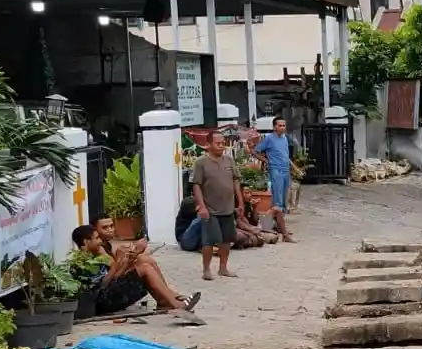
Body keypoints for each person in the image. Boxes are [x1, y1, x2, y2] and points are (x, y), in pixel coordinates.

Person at [68, 225, 203, 324]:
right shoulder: (82, 262)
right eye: (96, 238)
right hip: (99, 303)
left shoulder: (97, 253)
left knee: (143, 263)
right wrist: (117, 265)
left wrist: (128, 261)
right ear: (86, 242)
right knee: (144, 268)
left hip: (106, 295)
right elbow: (102, 285)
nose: (100, 241)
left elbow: (114, 279)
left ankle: (164, 301)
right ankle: (176, 305)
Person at [191, 130, 245, 281]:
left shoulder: (229, 160)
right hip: (210, 209)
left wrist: (240, 202)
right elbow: (196, 185)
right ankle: (206, 270)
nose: (222, 146)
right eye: (218, 143)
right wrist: (201, 206)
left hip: (228, 208)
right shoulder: (201, 162)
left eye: (223, 143)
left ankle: (223, 268)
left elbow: (236, 181)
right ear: (208, 145)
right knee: (208, 241)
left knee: (226, 240)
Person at [92, 213, 174, 288]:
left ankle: (167, 293)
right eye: (105, 228)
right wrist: (132, 251)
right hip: (111, 286)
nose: (110, 230)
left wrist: (131, 251)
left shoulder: (107, 244)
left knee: (143, 258)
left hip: (115, 278)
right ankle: (166, 294)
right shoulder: (99, 248)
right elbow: (115, 274)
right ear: (95, 230)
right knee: (144, 261)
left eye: (112, 226)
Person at [253, 117, 295, 242]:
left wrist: (294, 168)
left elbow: (286, 156)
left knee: (283, 201)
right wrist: (267, 161)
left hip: (285, 171)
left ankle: (279, 227)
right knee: (278, 203)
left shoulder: (285, 138)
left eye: (284, 125)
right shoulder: (269, 138)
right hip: (276, 171)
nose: (282, 127)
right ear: (274, 127)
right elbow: (255, 151)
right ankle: (284, 234)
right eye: (280, 125)